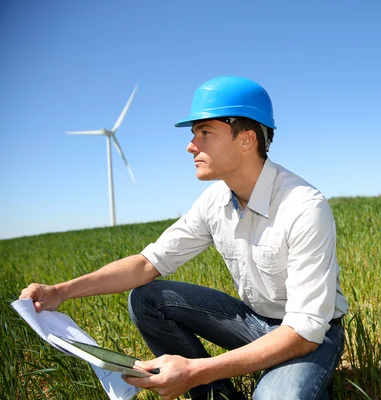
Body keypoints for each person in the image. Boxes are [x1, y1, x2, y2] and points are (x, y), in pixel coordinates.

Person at [20, 76, 349, 400]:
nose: (191, 145)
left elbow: (305, 331)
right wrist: (60, 292)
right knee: (148, 297)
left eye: (205, 133)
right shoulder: (214, 200)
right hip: (254, 322)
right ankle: (214, 395)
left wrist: (196, 369)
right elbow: (147, 264)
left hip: (310, 335)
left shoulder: (304, 207)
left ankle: (276, 377)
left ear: (247, 140)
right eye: (194, 134)